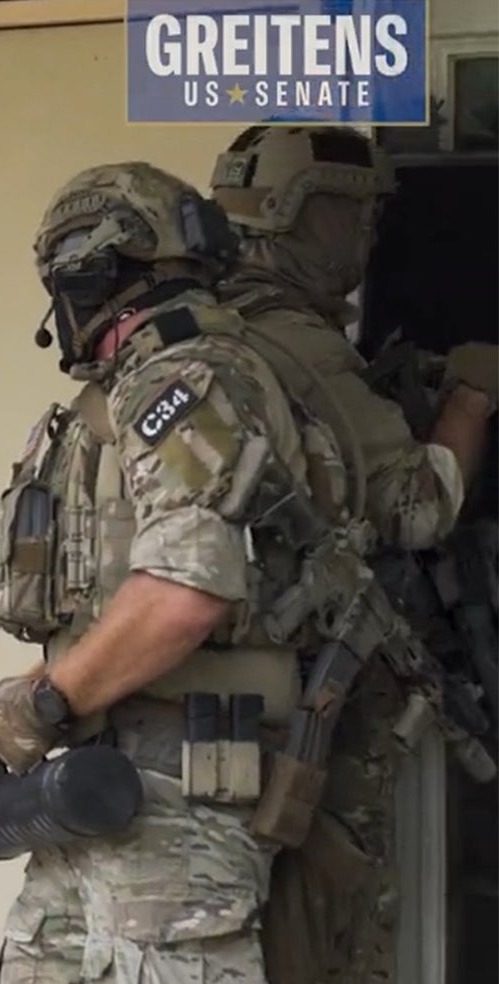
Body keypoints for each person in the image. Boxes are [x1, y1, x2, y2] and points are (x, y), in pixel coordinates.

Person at [0, 161, 341, 983]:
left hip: (173, 804)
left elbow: (186, 593)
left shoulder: (188, 378)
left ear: (101, 273)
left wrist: (46, 702)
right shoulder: (139, 386)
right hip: (99, 789)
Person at [206, 124, 499, 983]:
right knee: (338, 923)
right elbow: (418, 503)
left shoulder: (206, 332)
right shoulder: (300, 345)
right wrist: (473, 397)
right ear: (303, 217)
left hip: (222, 699)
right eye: (356, 217)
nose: (368, 239)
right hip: (307, 697)